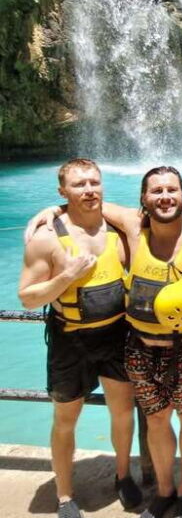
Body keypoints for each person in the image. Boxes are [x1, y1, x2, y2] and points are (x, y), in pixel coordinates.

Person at [25, 166, 182, 518]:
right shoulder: (132, 227)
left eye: (172, 189)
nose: (165, 196)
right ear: (143, 199)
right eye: (156, 191)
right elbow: (89, 204)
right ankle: (164, 492)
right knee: (156, 421)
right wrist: (53, 210)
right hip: (139, 347)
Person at [18, 158, 141, 518]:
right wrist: (65, 277)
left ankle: (123, 475)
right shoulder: (46, 239)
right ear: (62, 191)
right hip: (70, 339)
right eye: (78, 185)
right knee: (65, 418)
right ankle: (65, 494)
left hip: (117, 335)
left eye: (93, 182)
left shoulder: (120, 227)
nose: (88, 190)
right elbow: (27, 298)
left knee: (122, 412)